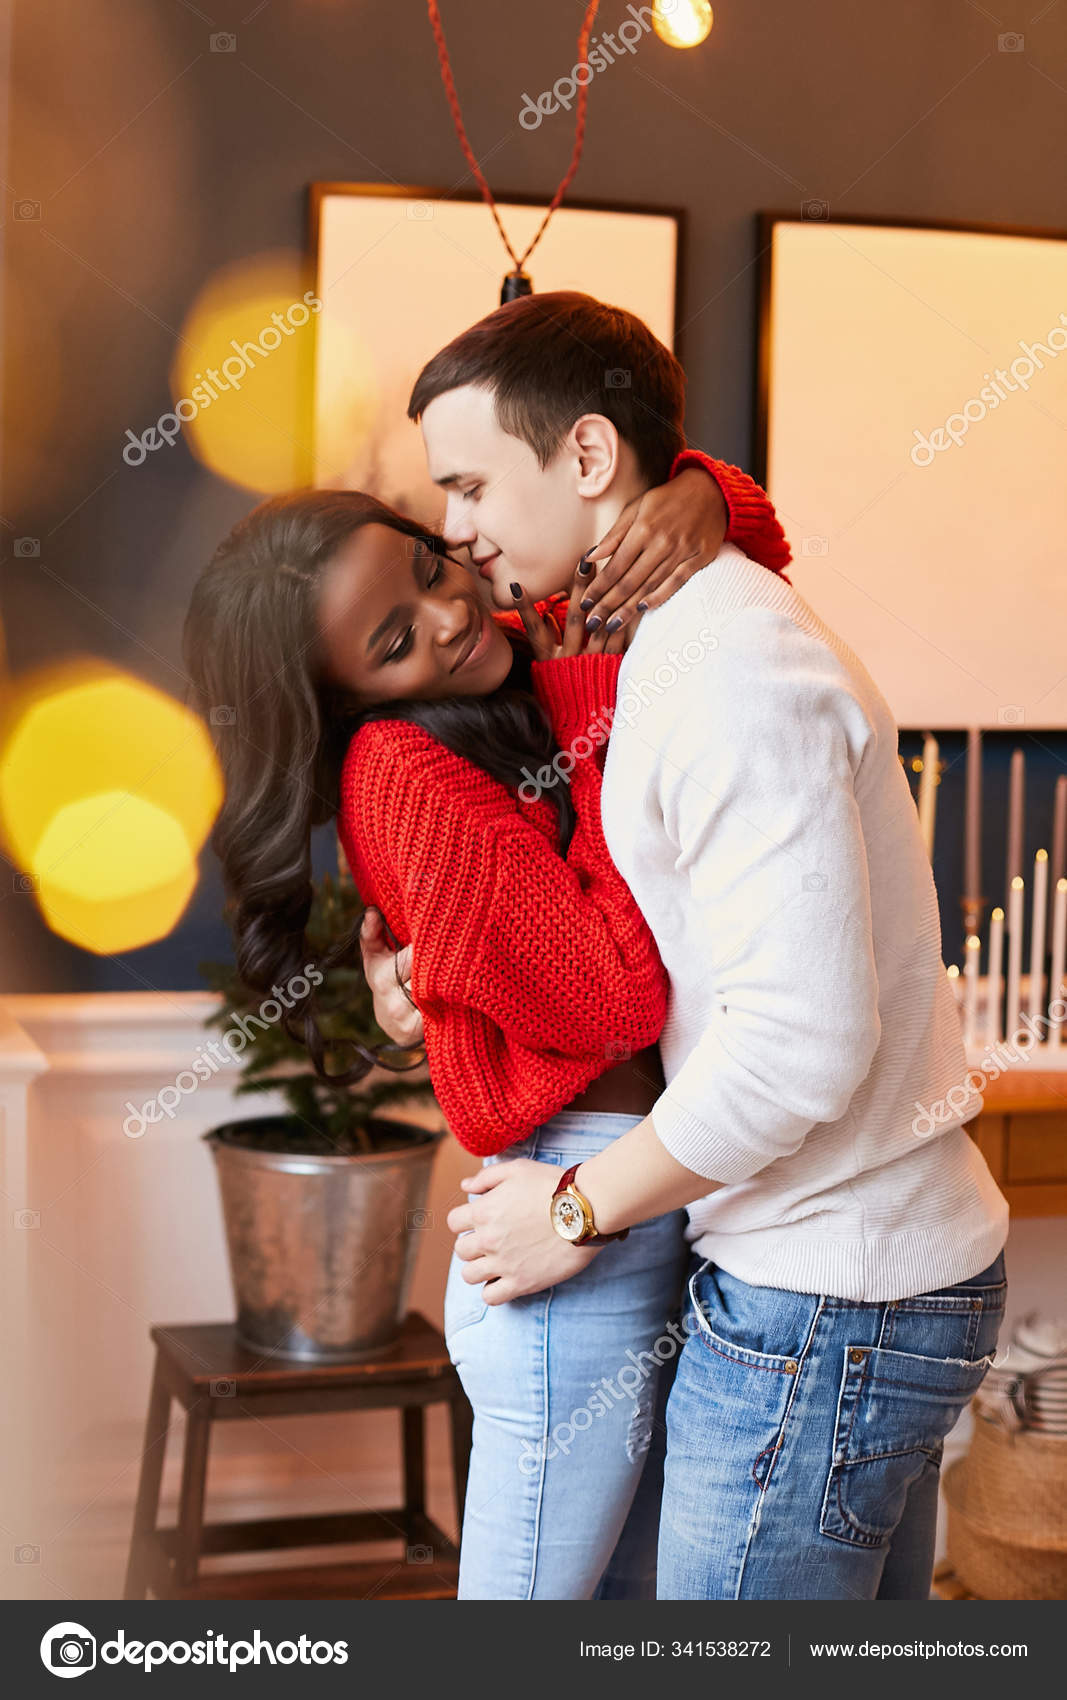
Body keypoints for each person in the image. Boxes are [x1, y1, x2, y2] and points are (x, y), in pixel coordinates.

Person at [367, 288, 1010, 1602]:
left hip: (825, 1299)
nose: (456, 526)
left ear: (588, 459)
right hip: (841, 1286)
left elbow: (799, 1046)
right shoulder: (662, 629)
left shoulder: (722, 668)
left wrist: (571, 1208)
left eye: (472, 483)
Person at [182, 433, 789, 1600]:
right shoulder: (404, 770)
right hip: (569, 1230)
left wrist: (695, 492)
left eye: (423, 565)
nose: (449, 614)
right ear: (344, 694)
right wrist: (584, 704)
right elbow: (613, 995)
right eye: (394, 641)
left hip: (666, 1193)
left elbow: (754, 550)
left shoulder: (523, 638)